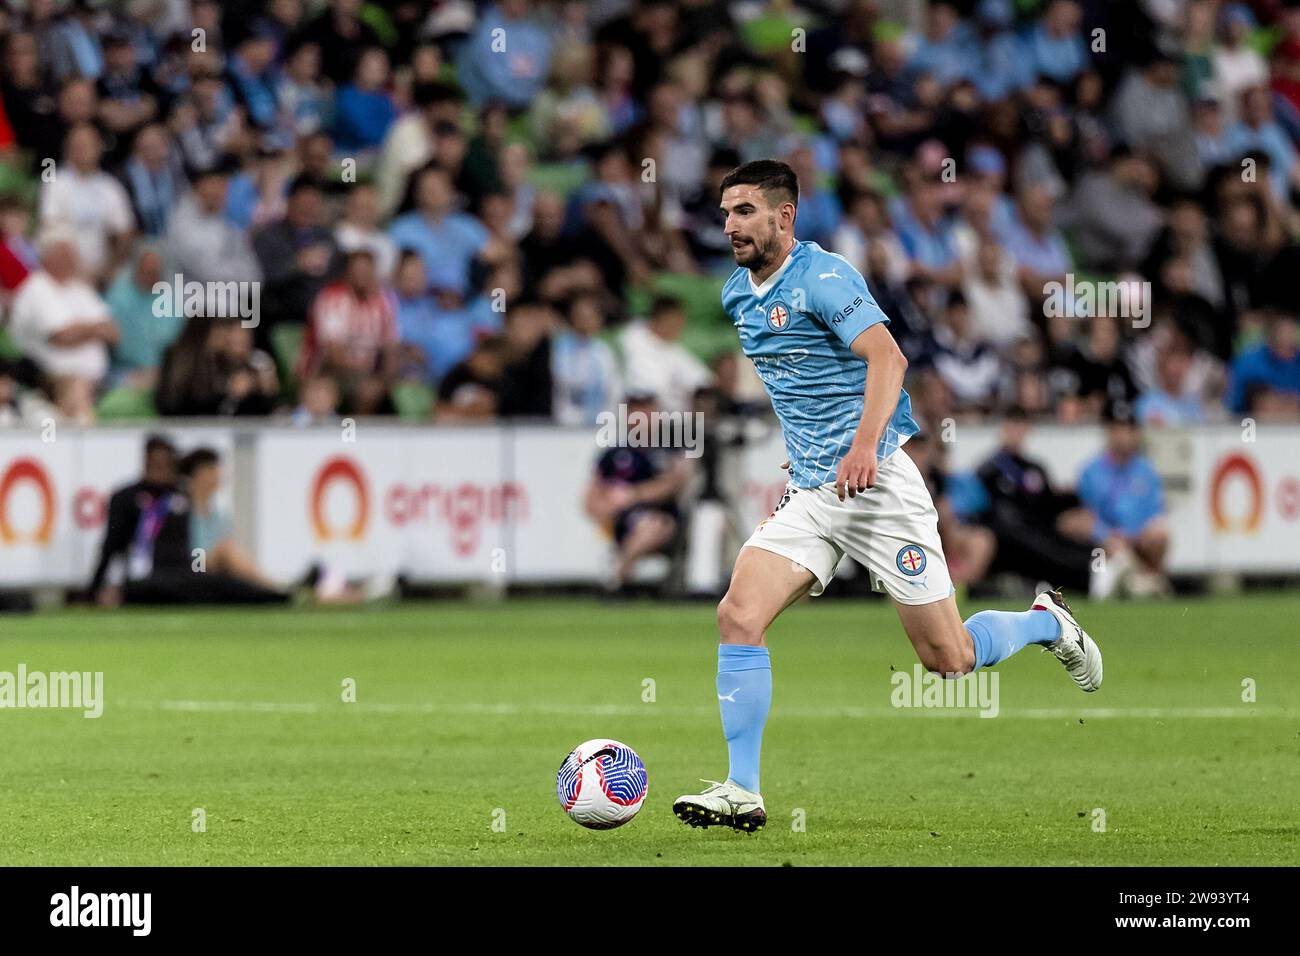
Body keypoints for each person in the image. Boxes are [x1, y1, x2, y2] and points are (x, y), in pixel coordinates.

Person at [672, 160, 1103, 833]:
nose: (731, 224)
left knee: (949, 659)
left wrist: (865, 444)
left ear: (785, 217)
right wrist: (809, 453)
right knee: (738, 615)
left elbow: (889, 359)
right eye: (726, 211)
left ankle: (1047, 622)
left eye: (746, 211)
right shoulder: (737, 295)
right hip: (815, 490)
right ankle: (742, 788)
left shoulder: (826, 276)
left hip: (877, 485)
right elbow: (801, 381)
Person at [583, 392, 693, 594]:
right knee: (647, 524)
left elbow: (674, 483)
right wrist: (608, 510)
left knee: (655, 524)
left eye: (646, 410)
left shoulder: (671, 448)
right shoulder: (613, 454)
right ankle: (622, 576)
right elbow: (591, 498)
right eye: (634, 410)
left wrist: (633, 495)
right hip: (623, 522)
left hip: (669, 520)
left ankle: (618, 576)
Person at [1077, 401, 1170, 597]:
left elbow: (1155, 515)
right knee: (1084, 531)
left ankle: (1140, 579)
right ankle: (1141, 583)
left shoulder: (1146, 471)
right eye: (1116, 430)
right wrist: (1108, 537)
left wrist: (1132, 537)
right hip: (1104, 544)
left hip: (1137, 541)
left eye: (1127, 430)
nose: (1122, 436)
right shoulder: (1091, 471)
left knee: (1160, 536)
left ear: (1136, 434)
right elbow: (1087, 517)